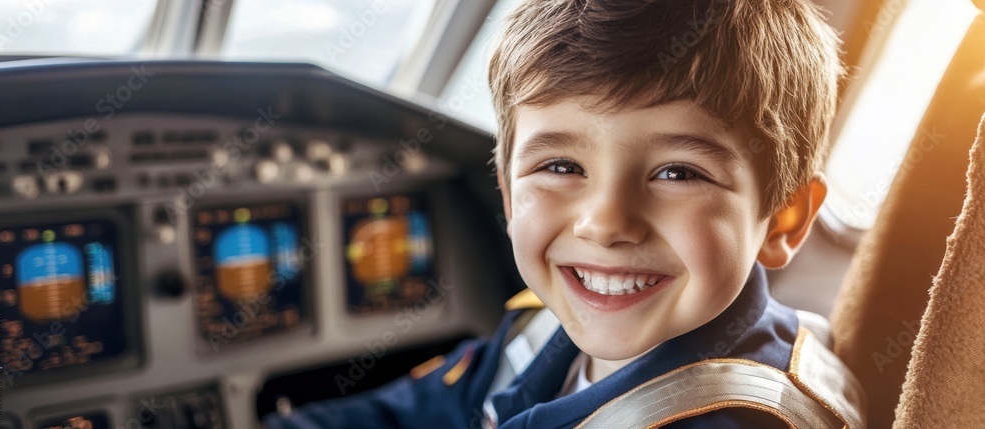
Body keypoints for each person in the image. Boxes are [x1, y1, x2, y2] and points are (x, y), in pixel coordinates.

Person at [264, 0, 865, 427]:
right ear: (508, 194)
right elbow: (419, 410)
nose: (603, 223)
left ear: (783, 219)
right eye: (560, 166)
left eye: (678, 173)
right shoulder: (540, 330)